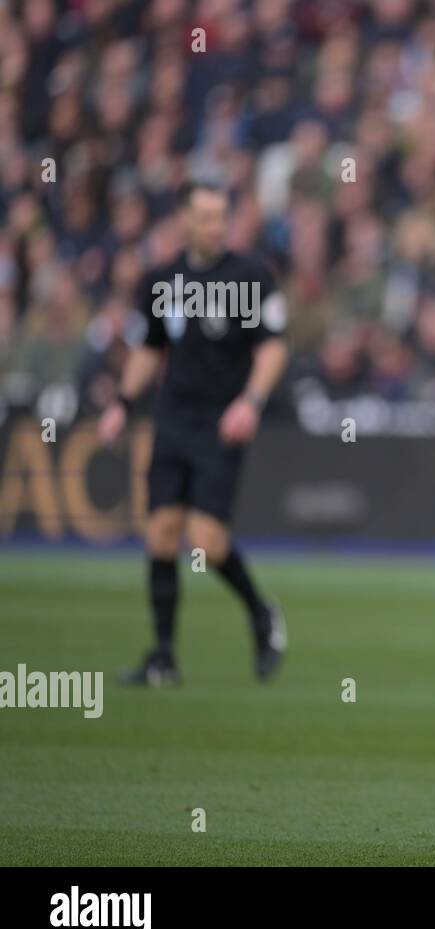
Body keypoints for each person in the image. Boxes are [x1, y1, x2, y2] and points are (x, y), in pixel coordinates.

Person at [99, 182, 290, 687]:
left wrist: (250, 402)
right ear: (184, 220)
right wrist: (121, 402)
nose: (215, 225)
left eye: (221, 216)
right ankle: (163, 658)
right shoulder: (163, 280)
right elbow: (149, 350)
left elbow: (273, 349)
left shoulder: (250, 277)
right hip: (173, 419)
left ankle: (261, 613)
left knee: (205, 539)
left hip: (221, 423)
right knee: (161, 531)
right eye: (205, 216)